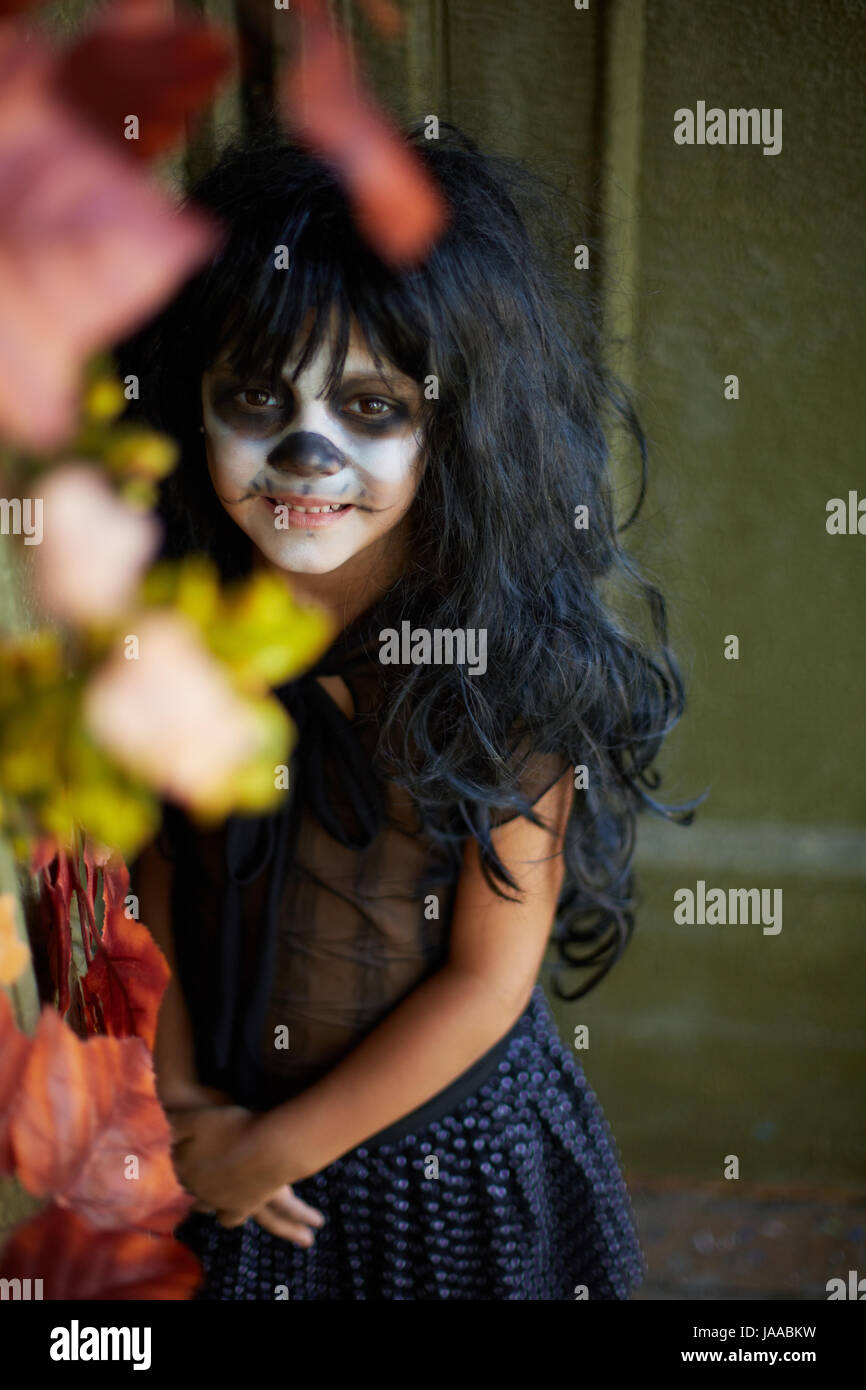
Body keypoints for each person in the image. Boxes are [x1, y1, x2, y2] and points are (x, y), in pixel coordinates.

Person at [124, 119, 691, 1301]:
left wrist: (270, 1153)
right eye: (256, 396)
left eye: (372, 408)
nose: (303, 452)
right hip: (229, 1132)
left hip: (439, 1161)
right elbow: (162, 870)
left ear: (460, 425)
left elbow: (487, 982)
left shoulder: (499, 674)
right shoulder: (178, 631)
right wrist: (190, 1110)